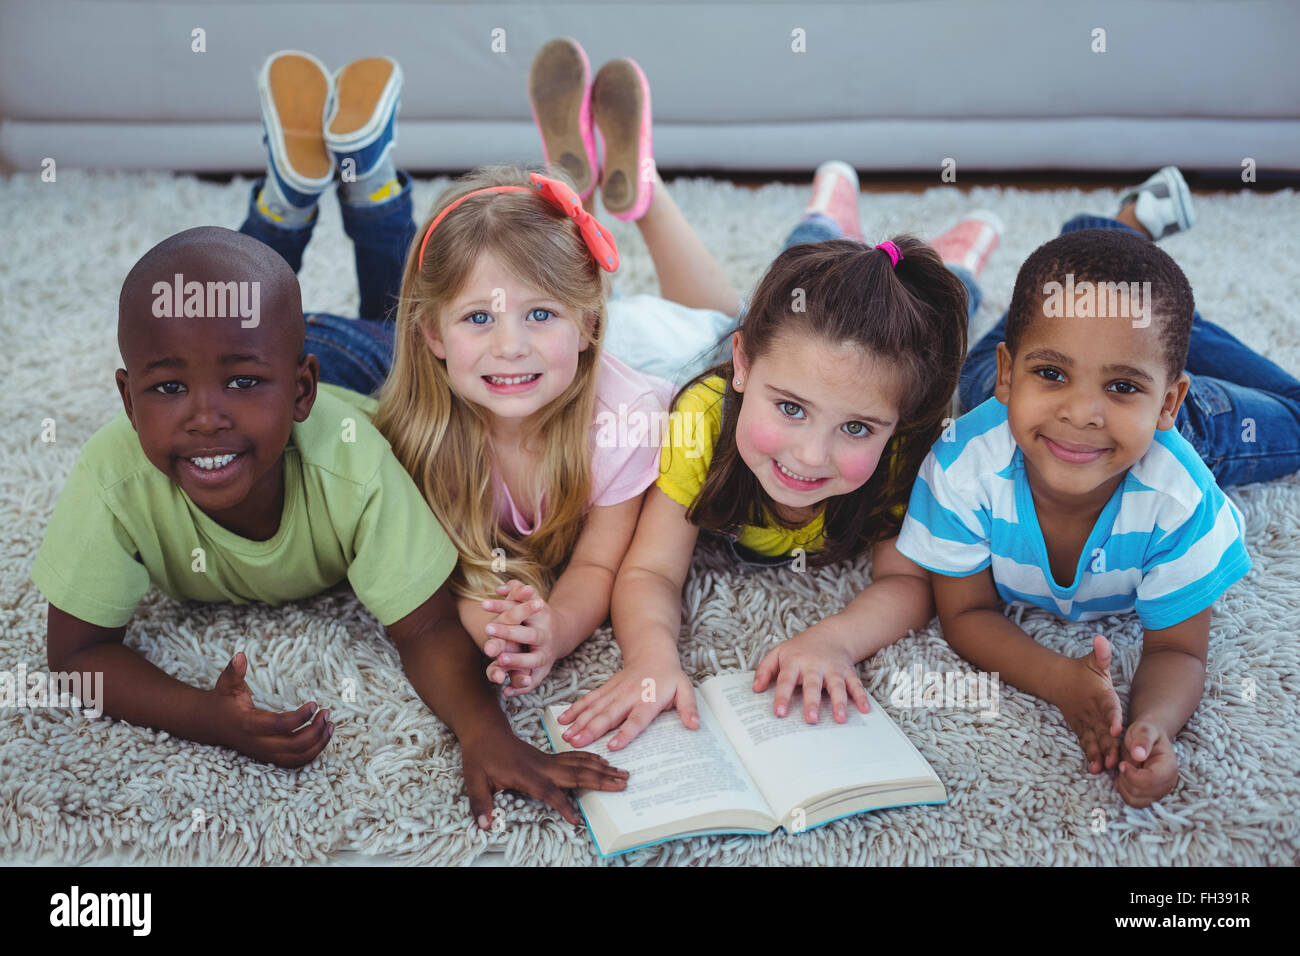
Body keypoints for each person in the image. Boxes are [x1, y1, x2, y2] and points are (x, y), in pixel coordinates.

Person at [31, 226, 628, 830]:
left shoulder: (355, 461)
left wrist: (485, 732)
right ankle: (292, 205)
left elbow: (425, 625)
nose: (206, 418)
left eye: (241, 382)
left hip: (363, 365)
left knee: (421, 350)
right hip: (294, 349)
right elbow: (77, 653)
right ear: (128, 400)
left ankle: (374, 204)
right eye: (168, 387)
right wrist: (201, 715)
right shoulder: (112, 478)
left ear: (301, 391)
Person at [237, 44, 740, 699]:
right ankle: (336, 189)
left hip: (655, 351)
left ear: (589, 322)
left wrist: (555, 628)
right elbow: (449, 569)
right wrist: (496, 624)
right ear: (434, 335)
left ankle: (642, 190)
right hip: (452, 358)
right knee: (266, 354)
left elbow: (595, 563)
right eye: (480, 320)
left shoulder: (634, 422)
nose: (510, 347)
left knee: (730, 327)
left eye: (538, 315)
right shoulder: (412, 428)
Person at [557, 161, 993, 750]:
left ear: (897, 425)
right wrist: (650, 660)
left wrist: (835, 640)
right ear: (742, 366)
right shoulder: (701, 420)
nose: (811, 455)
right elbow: (651, 569)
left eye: (858, 427)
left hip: (862, 321)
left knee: (939, 303)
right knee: (774, 284)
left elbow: (907, 582)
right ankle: (822, 215)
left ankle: (960, 261)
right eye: (790, 409)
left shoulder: (904, 450)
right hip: (713, 336)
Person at [897, 167, 1295, 807]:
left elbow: (1180, 651)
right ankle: (1103, 254)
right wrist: (1059, 678)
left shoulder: (1178, 496)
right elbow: (965, 612)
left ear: (1168, 400)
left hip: (1179, 433)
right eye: (1051, 373)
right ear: (1013, 374)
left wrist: (1156, 725)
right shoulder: (962, 463)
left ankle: (1123, 270)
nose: (1082, 412)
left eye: (1123, 385)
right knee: (969, 368)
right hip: (996, 402)